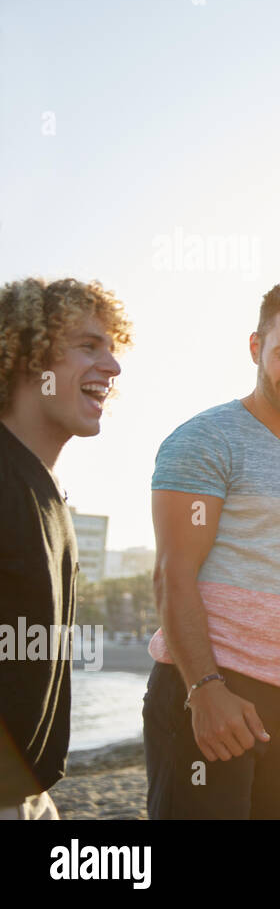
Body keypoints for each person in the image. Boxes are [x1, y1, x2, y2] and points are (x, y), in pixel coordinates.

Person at [143, 281, 280, 819]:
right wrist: (205, 689)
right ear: (257, 348)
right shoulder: (205, 440)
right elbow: (173, 575)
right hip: (212, 693)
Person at [0, 278, 130, 820]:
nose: (113, 366)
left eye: (111, 347)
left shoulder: (48, 492)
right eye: (87, 345)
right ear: (29, 356)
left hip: (29, 795)